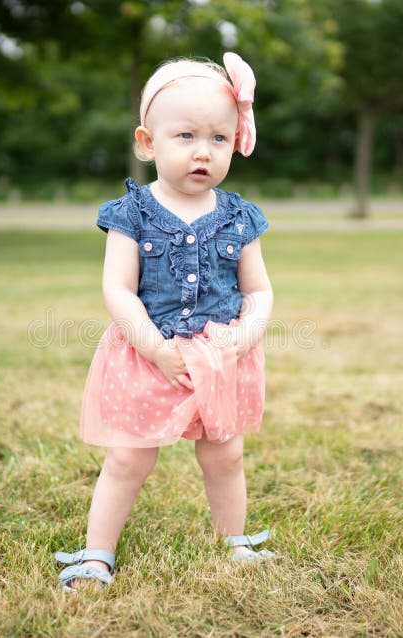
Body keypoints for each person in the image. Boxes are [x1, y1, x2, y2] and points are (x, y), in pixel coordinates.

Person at [55, 52, 274, 592]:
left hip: (220, 355)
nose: (203, 151)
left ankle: (236, 543)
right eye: (185, 136)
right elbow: (119, 290)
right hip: (148, 354)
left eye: (219, 139)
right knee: (128, 457)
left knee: (225, 455)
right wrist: (155, 348)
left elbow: (260, 290)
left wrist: (245, 336)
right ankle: (97, 554)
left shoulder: (239, 216)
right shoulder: (131, 214)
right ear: (147, 142)